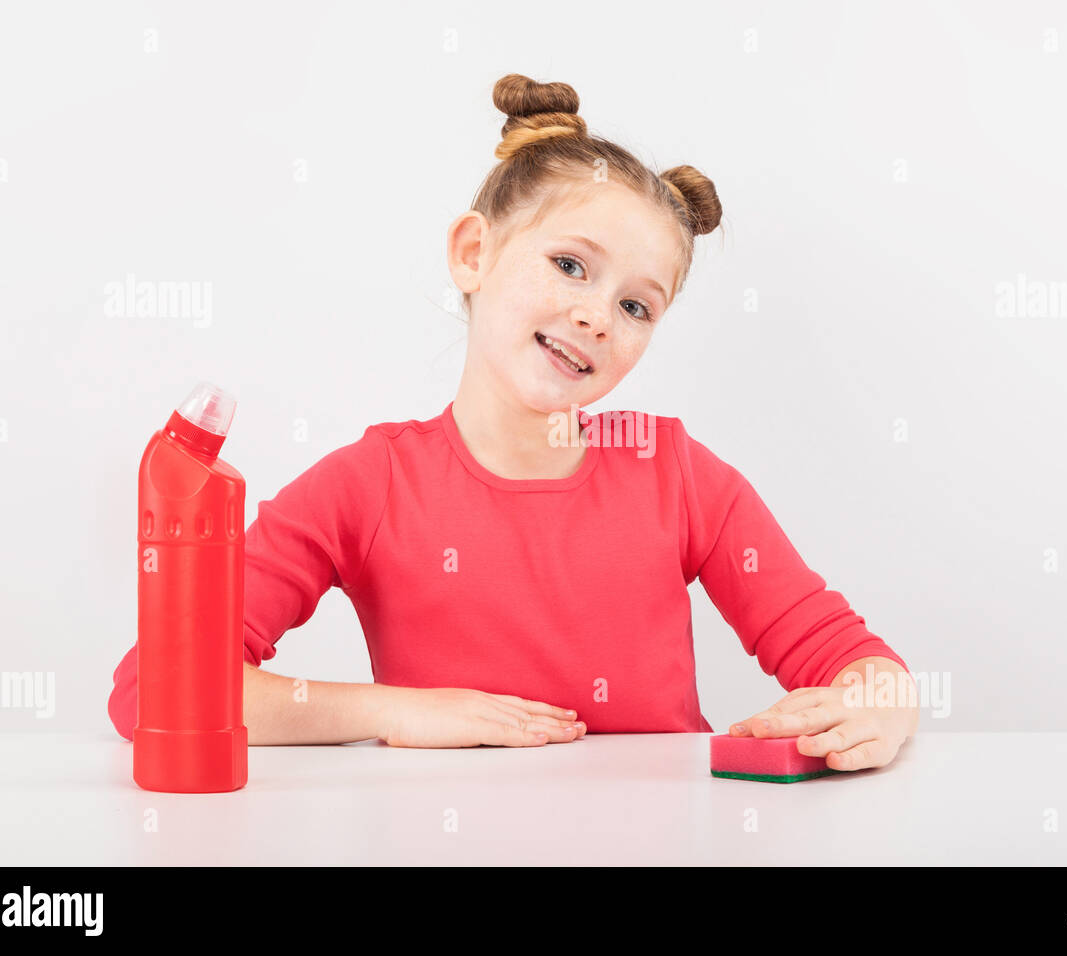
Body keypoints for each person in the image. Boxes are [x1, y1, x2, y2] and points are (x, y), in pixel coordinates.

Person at [108, 73, 918, 771]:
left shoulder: (676, 473)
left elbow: (854, 662)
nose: (598, 316)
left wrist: (881, 708)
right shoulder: (372, 485)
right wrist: (395, 711)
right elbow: (155, 686)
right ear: (473, 253)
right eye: (570, 265)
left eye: (636, 305)